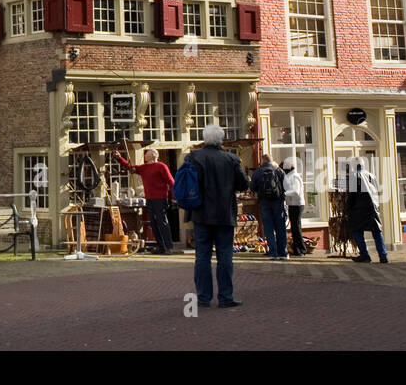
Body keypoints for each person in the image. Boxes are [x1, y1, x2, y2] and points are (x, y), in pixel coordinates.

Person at [184, 123, 250, 308]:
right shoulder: (231, 159)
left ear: (204, 139)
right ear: (221, 140)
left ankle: (203, 297)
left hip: (201, 213)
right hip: (224, 214)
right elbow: (243, 185)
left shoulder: (193, 158)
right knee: (225, 255)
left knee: (202, 256)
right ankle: (225, 296)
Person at [116, 147, 175, 254]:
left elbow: (171, 181)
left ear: (153, 155)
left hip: (160, 198)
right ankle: (161, 247)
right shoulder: (144, 168)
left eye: (147, 153)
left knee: (162, 222)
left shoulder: (161, 166)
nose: (145, 155)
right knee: (154, 223)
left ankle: (168, 247)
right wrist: (119, 158)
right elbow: (130, 168)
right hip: (150, 199)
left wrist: (173, 197)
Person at [345, 158, 388, 264]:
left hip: (358, 209)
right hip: (373, 208)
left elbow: (352, 195)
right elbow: (376, 192)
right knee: (377, 232)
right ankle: (383, 256)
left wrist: (347, 208)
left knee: (357, 231)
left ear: (353, 166)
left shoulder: (354, 176)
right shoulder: (371, 176)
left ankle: (365, 255)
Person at [251, 154, 288, 260]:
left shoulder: (257, 172)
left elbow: (252, 188)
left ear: (262, 161)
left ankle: (273, 253)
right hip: (278, 202)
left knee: (268, 228)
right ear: (272, 161)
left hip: (264, 203)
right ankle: (283, 253)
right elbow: (287, 186)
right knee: (280, 227)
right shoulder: (279, 171)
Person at [283, 158, 307, 256]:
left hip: (297, 204)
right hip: (293, 204)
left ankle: (301, 249)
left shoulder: (294, 177)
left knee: (296, 227)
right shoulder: (291, 176)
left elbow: (296, 191)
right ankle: (298, 248)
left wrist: (284, 194)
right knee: (295, 227)